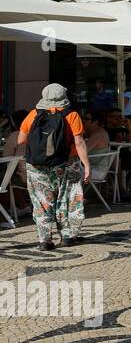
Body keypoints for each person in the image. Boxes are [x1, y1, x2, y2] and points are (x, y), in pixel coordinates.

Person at [15, 84, 90, 249]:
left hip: (37, 166)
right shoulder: (72, 115)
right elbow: (79, 143)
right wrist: (86, 165)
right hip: (67, 163)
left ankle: (44, 240)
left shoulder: (33, 114)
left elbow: (20, 140)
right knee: (69, 199)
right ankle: (68, 237)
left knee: (41, 201)